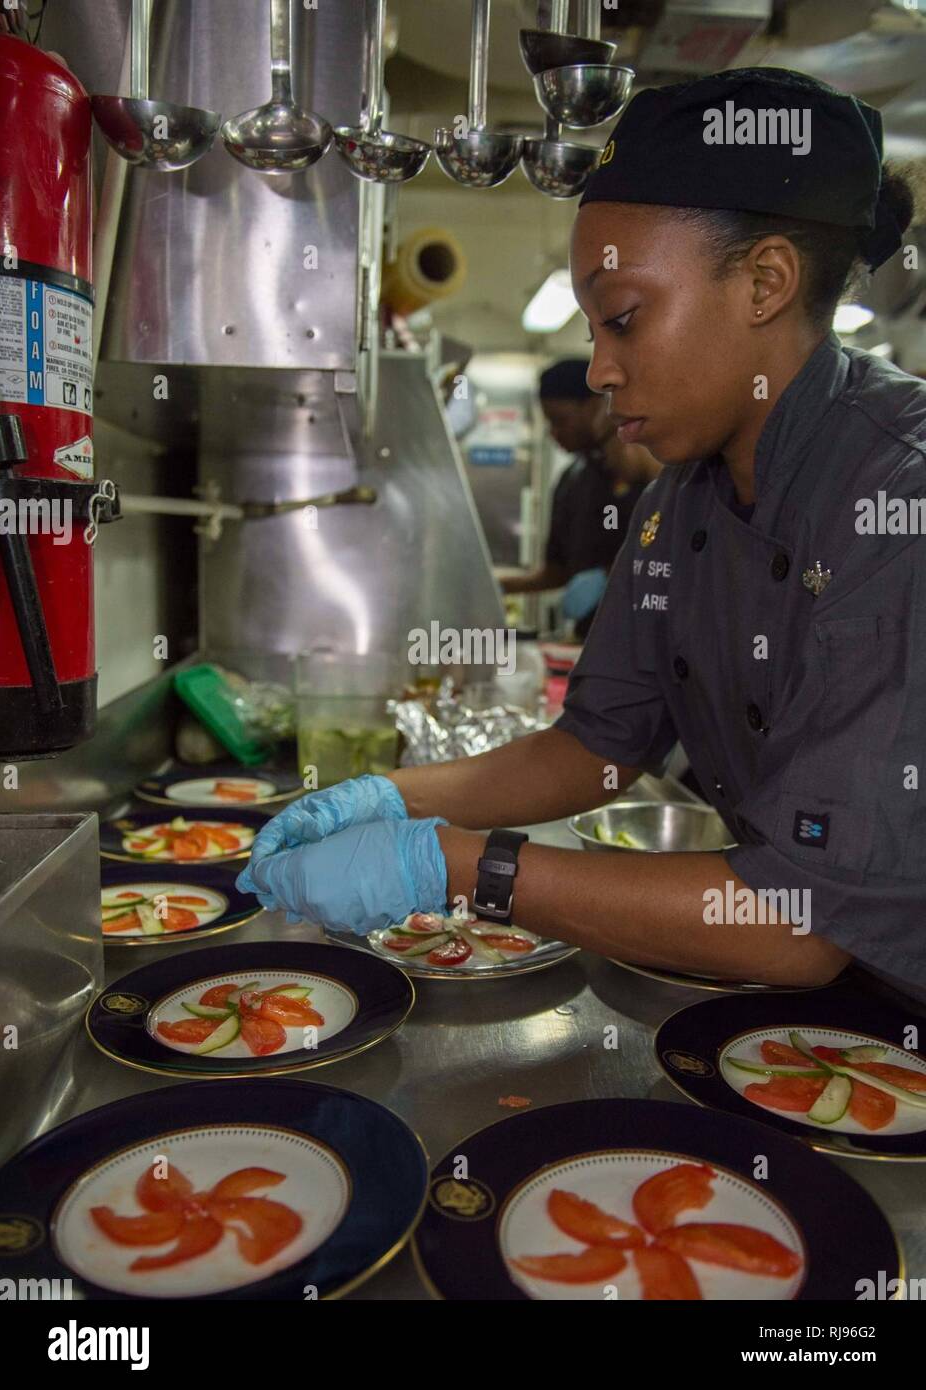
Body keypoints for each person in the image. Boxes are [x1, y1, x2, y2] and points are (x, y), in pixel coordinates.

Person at [238, 68, 926, 997]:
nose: (600, 370)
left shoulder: (898, 497)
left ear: (765, 281)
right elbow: (597, 748)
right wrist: (391, 799)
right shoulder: (678, 501)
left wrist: (452, 865)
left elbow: (796, 925)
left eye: (625, 320)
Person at [501, 357, 660, 637]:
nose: (554, 433)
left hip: (643, 635)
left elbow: (671, 549)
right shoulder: (571, 481)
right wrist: (500, 586)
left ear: (597, 405)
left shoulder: (650, 470)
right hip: (589, 639)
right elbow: (558, 570)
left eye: (560, 421)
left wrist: (608, 577)